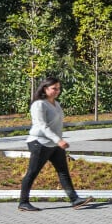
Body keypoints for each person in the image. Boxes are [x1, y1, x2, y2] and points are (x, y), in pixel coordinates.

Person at [18, 76, 91, 212]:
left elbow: (57, 124)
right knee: (32, 172)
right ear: (45, 89)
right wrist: (59, 140)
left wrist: (58, 140)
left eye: (59, 88)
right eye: (54, 88)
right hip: (39, 142)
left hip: (54, 143)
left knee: (63, 171)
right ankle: (23, 202)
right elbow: (42, 125)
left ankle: (75, 200)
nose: (57, 91)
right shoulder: (39, 104)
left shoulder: (56, 104)